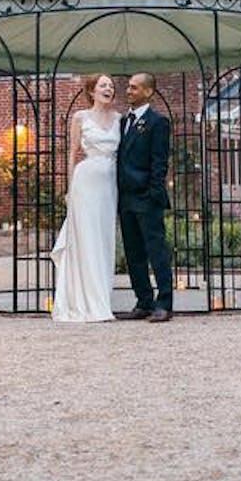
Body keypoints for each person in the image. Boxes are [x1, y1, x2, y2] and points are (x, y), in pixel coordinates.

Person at [50, 73, 119, 322]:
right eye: (103, 85)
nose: (108, 88)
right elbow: (72, 153)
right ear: (92, 91)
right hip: (85, 183)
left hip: (109, 185)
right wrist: (69, 189)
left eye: (111, 85)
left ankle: (102, 294)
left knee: (104, 239)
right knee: (86, 239)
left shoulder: (119, 119)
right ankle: (88, 301)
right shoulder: (80, 117)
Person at [115, 72, 173, 323]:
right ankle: (144, 301)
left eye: (134, 88)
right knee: (134, 253)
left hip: (147, 199)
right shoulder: (123, 121)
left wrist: (152, 194)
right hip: (126, 199)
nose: (128, 91)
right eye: (128, 87)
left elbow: (159, 163)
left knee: (156, 252)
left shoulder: (157, 122)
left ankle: (164, 303)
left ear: (148, 92)